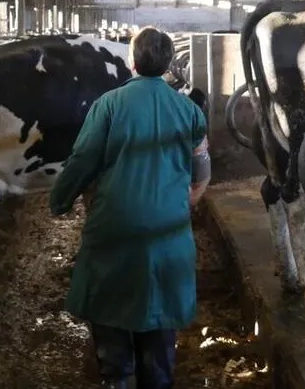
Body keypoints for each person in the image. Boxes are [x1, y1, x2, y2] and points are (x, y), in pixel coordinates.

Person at [49, 27, 211, 389]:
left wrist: (59, 200)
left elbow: (81, 162)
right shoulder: (189, 110)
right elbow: (202, 167)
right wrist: (189, 200)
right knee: (159, 323)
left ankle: (118, 379)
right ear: (169, 63)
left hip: (114, 229)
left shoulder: (108, 105)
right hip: (167, 232)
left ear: (131, 60)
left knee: (111, 319)